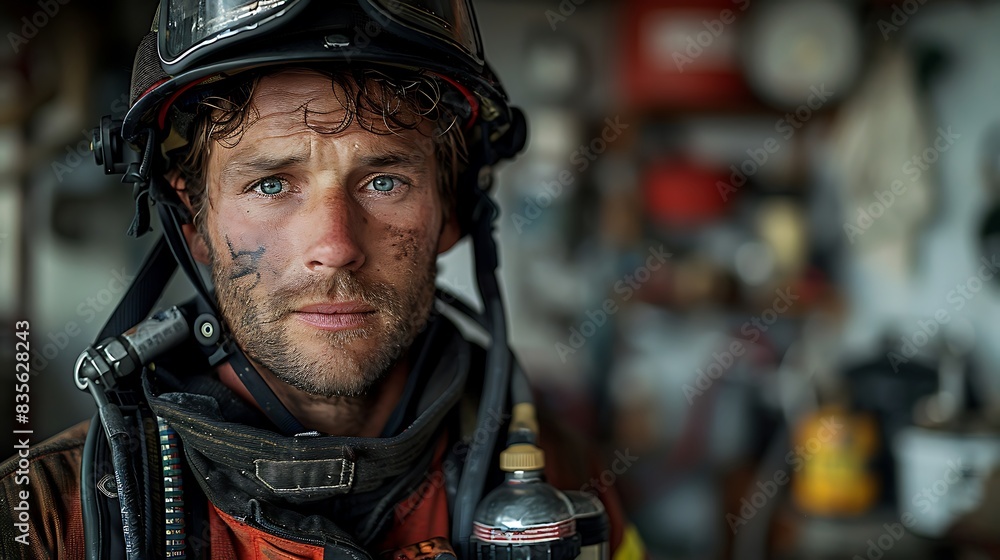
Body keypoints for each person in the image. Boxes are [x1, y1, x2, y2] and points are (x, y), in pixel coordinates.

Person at [0, 1, 645, 558]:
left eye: (384, 182)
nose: (335, 248)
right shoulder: (46, 519)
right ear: (194, 222)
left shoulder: (564, 480)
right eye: (270, 185)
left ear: (450, 212)